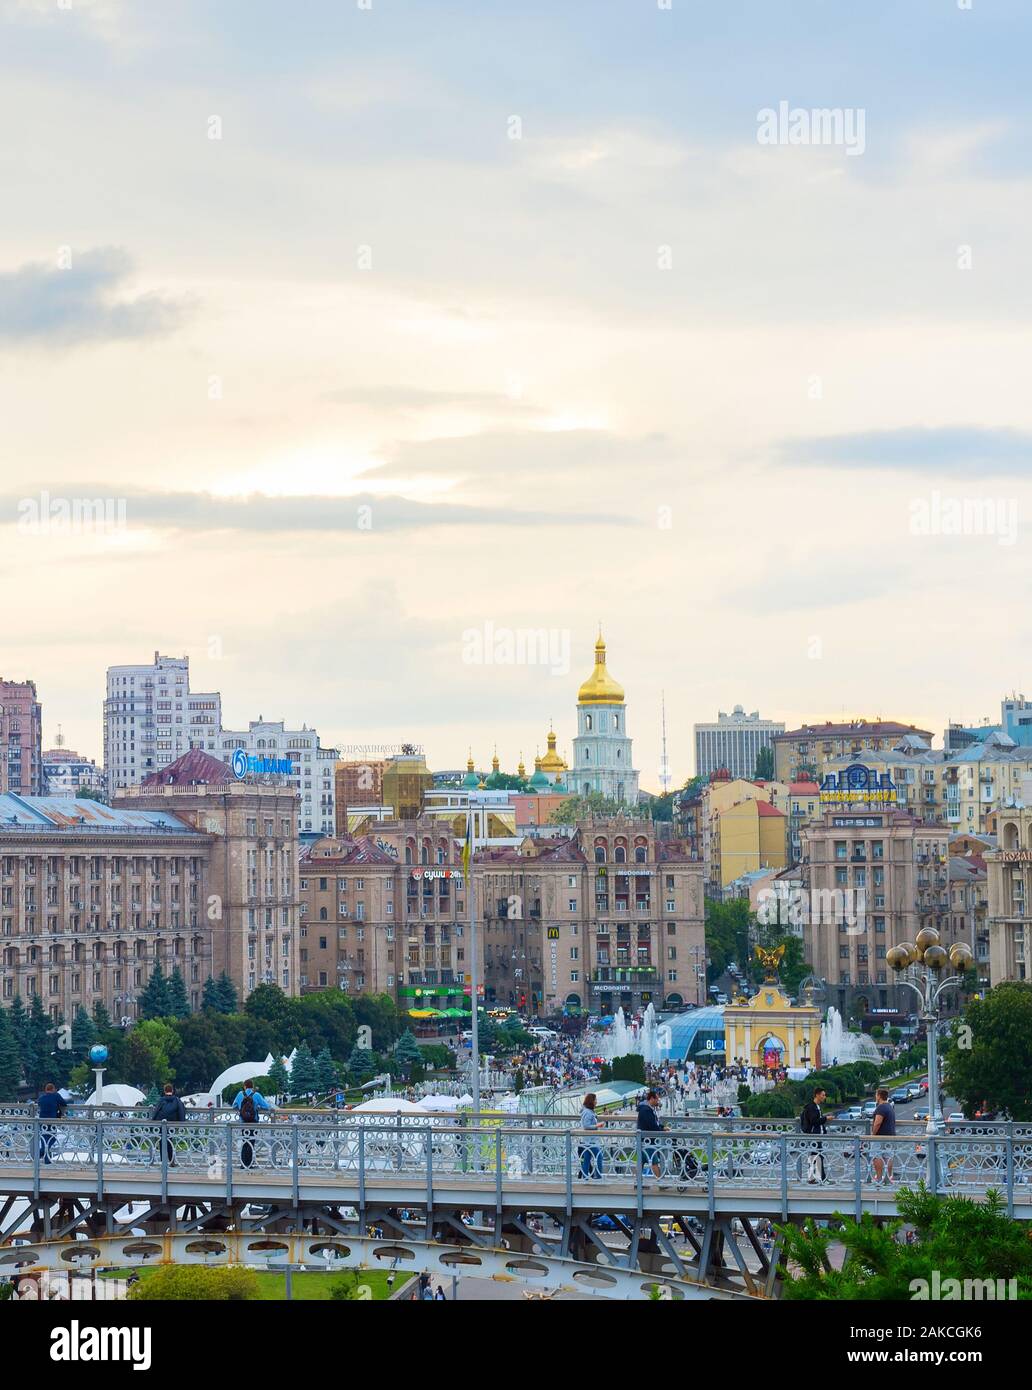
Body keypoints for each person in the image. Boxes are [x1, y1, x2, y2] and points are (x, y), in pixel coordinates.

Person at [231, 1080, 272, 1168]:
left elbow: (233, 1106)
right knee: (251, 1142)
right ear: (252, 1086)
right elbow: (267, 1106)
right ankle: (249, 1164)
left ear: (245, 1086)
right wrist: (258, 1107)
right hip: (253, 1121)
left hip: (243, 1122)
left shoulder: (240, 1094)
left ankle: (243, 1164)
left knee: (244, 1141)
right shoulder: (256, 1095)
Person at [151, 1083, 187, 1166]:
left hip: (161, 1124)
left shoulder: (161, 1100)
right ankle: (172, 1161)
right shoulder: (177, 1100)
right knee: (170, 1141)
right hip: (172, 1125)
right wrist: (181, 1123)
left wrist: (152, 1121)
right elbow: (182, 1111)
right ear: (172, 1090)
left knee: (161, 1142)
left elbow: (155, 1111)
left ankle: (163, 1161)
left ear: (164, 1091)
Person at [800, 1086, 828, 1183]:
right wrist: (826, 1119)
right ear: (817, 1095)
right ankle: (822, 1179)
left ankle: (812, 1178)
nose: (824, 1097)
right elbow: (814, 1121)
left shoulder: (816, 1106)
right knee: (818, 1156)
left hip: (817, 1135)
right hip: (814, 1135)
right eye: (823, 1095)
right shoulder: (812, 1107)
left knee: (815, 1157)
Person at [636, 1089, 666, 1178]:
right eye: (657, 1099)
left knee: (641, 1162)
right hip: (647, 1140)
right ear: (652, 1099)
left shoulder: (646, 1109)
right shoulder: (646, 1110)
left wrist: (662, 1127)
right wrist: (661, 1129)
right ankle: (660, 1183)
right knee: (654, 1162)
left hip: (643, 1139)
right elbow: (652, 1125)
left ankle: (638, 1183)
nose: (658, 1101)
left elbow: (653, 1123)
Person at [871, 1087, 896, 1185]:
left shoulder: (880, 1107)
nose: (875, 1097)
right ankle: (888, 1178)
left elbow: (877, 1123)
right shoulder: (889, 1106)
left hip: (880, 1136)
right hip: (890, 1136)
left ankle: (879, 1179)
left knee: (877, 1157)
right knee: (888, 1157)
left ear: (879, 1096)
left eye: (876, 1095)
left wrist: (873, 1134)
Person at [36, 1083, 66, 1166]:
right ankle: (41, 1153)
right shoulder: (56, 1096)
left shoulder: (42, 1098)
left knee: (44, 1138)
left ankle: (44, 1157)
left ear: (46, 1090)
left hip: (42, 1121)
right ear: (53, 1089)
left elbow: (39, 1104)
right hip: (52, 1120)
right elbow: (64, 1104)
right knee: (52, 1138)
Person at [578, 1092, 603, 1180]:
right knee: (599, 1156)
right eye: (595, 1100)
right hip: (590, 1140)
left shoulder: (588, 1111)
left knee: (587, 1159)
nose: (596, 1101)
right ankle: (598, 1177)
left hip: (587, 1140)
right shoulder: (588, 1112)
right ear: (591, 1101)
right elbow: (586, 1126)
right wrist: (597, 1125)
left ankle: (585, 1178)